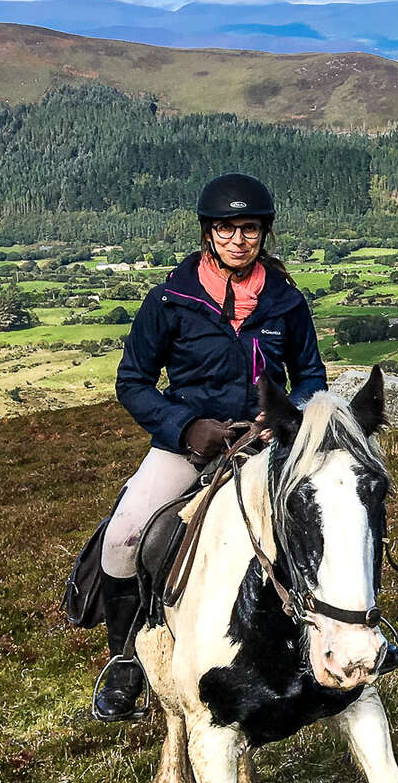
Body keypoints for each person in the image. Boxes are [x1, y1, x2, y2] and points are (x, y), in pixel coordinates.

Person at [92, 172, 326, 721]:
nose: (238, 239)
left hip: (265, 442)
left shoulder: (287, 303)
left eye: (248, 228)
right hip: (188, 443)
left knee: (327, 518)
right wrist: (185, 427)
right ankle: (125, 659)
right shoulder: (169, 301)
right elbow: (132, 382)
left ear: (263, 233)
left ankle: (348, 638)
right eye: (226, 228)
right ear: (208, 233)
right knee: (123, 540)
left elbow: (311, 374)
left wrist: (280, 416)